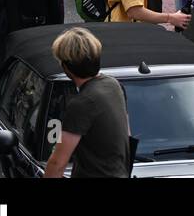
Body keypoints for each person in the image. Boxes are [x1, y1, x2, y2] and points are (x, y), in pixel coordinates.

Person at [43, 28, 130, 178]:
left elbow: (57, 163)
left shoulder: (82, 103)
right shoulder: (113, 85)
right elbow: (127, 136)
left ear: (66, 68)